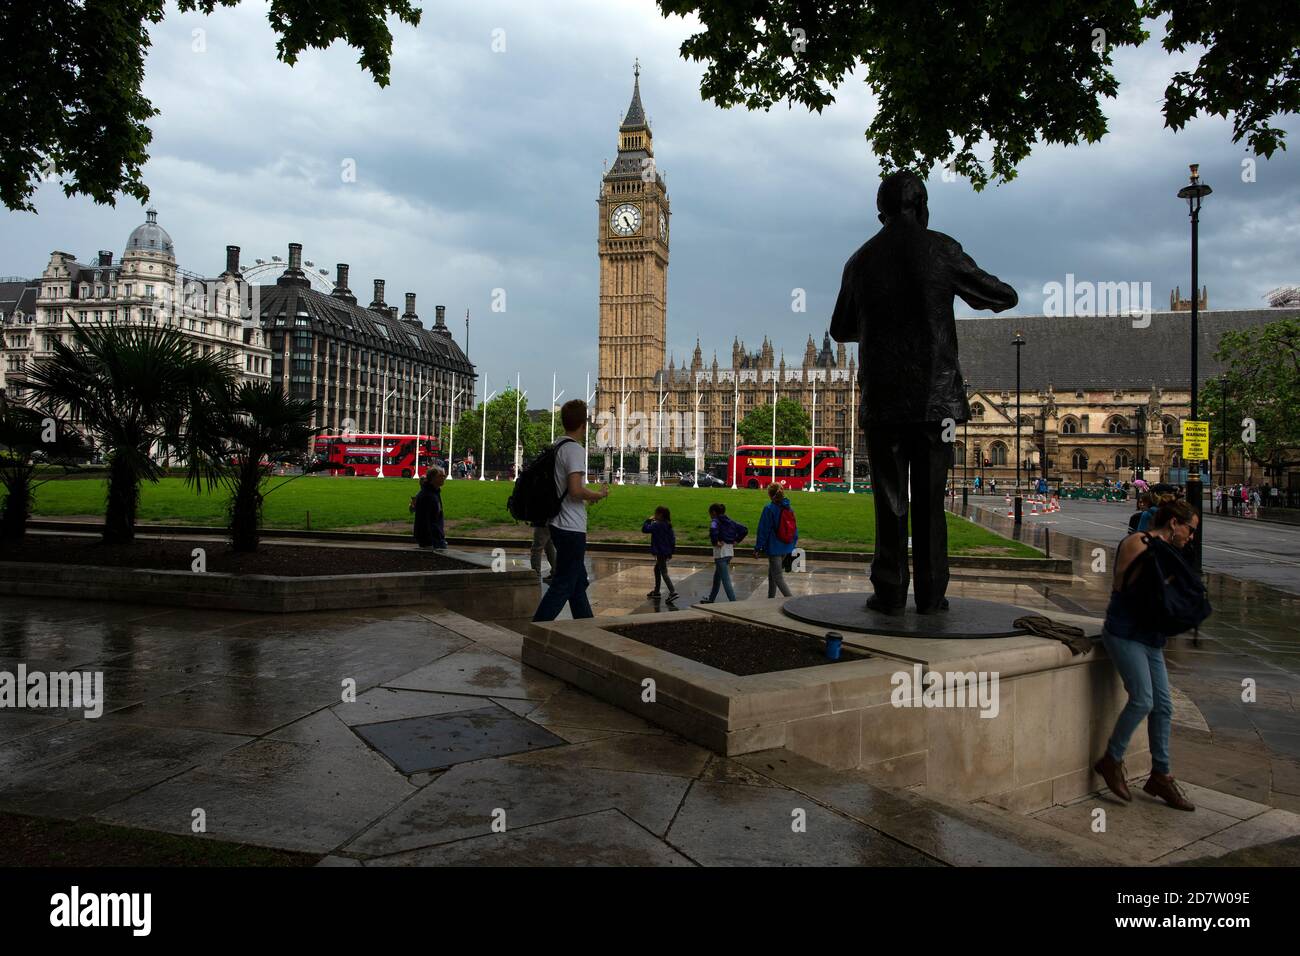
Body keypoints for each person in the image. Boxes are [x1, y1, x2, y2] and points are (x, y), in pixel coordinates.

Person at [1093, 498, 1202, 812]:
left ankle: (1161, 775)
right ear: (1173, 523)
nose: (1191, 537)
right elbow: (1136, 588)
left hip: (1150, 636)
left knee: (1164, 706)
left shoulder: (1169, 551)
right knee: (1143, 699)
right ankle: (1111, 760)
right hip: (1125, 632)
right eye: (1189, 530)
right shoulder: (1136, 544)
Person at [533, 400, 609, 622]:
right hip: (571, 527)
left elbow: (566, 489)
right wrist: (597, 494)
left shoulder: (558, 446)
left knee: (577, 582)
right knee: (564, 584)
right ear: (584, 423)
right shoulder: (575, 449)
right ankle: (537, 629)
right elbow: (575, 490)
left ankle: (587, 628)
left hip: (559, 522)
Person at [755, 483, 797, 598]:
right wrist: (792, 544)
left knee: (778, 577)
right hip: (786, 546)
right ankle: (770, 598)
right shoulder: (789, 508)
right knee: (772, 574)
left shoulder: (769, 509)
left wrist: (758, 547)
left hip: (774, 547)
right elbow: (794, 528)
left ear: (770, 494)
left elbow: (763, 530)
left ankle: (791, 599)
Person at [699, 502, 738, 604]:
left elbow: (713, 529)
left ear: (713, 512)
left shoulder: (715, 521)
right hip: (729, 552)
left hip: (721, 554)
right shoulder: (729, 521)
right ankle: (711, 599)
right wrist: (737, 540)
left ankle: (734, 603)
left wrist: (715, 541)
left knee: (726, 581)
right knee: (717, 578)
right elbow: (743, 529)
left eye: (710, 514)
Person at [642, 506, 678, 603]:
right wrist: (671, 551)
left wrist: (648, 520)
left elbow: (645, 529)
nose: (654, 515)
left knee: (663, 572)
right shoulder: (668, 525)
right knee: (657, 569)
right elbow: (672, 539)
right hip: (666, 552)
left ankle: (673, 592)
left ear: (660, 515)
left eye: (656, 513)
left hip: (660, 552)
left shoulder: (657, 525)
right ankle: (657, 591)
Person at [412, 467, 447, 549]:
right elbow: (423, 520)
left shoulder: (434, 492)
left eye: (444, 476)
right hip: (431, 540)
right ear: (432, 478)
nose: (443, 478)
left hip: (436, 537)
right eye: (441, 476)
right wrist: (428, 542)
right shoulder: (427, 496)